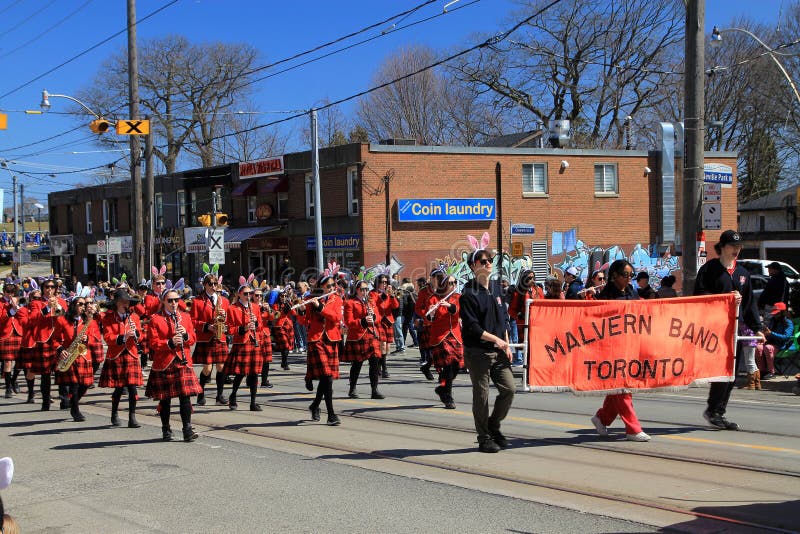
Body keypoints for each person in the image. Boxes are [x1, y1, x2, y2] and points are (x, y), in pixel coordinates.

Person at [694, 229, 763, 431]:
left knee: (731, 372)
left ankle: (718, 412)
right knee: (721, 370)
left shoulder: (743, 273)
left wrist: (757, 328)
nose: (736, 250)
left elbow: (749, 303)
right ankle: (714, 410)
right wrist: (725, 299)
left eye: (739, 246)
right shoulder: (709, 270)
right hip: (714, 328)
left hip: (735, 329)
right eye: (732, 246)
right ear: (722, 247)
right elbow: (699, 296)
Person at [459, 239, 515, 453]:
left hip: (499, 350)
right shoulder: (468, 294)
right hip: (478, 352)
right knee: (481, 396)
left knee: (509, 389)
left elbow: (503, 318)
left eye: (490, 259)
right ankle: (484, 438)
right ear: (473, 266)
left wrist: (506, 343)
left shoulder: (496, 287)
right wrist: (495, 340)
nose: (488, 263)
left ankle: (493, 424)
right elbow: (472, 327)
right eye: (483, 261)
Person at [590, 259, 651, 442]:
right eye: (625, 275)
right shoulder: (606, 295)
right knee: (622, 388)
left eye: (631, 274)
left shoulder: (632, 292)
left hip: (630, 345)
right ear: (614, 275)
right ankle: (633, 428)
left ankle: (602, 418)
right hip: (612, 348)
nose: (629, 278)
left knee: (619, 388)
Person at [146, 288, 201, 442]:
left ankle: (187, 429)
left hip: (183, 361)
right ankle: (166, 429)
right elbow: (153, 342)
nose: (174, 303)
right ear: (163, 301)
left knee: (185, 397)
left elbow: (193, 339)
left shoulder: (185, 317)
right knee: (165, 399)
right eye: (170, 300)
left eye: (176, 300)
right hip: (165, 362)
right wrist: (169, 343)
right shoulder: (156, 319)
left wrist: (186, 335)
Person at [298, 273, 343, 425]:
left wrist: (321, 307)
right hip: (316, 340)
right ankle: (331, 414)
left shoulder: (337, 299)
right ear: (321, 287)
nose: (332, 288)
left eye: (333, 285)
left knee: (326, 379)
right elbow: (303, 321)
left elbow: (336, 318)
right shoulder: (311, 298)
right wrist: (301, 310)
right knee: (326, 376)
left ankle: (315, 405)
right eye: (328, 286)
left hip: (331, 339)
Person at [19, 279, 68, 410]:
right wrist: (47, 307)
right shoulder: (36, 303)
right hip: (44, 340)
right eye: (47, 287)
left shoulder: (62, 301)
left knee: (62, 371)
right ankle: (45, 402)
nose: (50, 289)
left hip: (59, 339)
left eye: (52, 287)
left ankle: (64, 401)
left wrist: (58, 307)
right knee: (45, 374)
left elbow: (64, 318)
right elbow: (33, 319)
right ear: (43, 288)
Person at [100, 290, 144, 428]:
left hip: (131, 354)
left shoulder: (134, 317)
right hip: (117, 355)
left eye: (127, 302)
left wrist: (136, 334)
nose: (126, 304)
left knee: (132, 388)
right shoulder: (108, 318)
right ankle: (114, 413)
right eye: (123, 302)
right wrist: (124, 337)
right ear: (116, 304)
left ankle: (132, 417)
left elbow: (141, 335)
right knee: (119, 388)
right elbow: (108, 337)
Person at [53, 296, 100, 422]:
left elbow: (95, 338)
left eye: (84, 304)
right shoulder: (62, 320)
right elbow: (54, 339)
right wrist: (60, 349)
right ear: (73, 305)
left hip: (84, 356)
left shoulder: (88, 321)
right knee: (74, 385)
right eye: (80, 304)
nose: (83, 306)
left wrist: (87, 338)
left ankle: (73, 402)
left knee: (86, 384)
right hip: (69, 355)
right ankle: (75, 410)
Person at [223, 277, 264, 411]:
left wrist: (256, 323)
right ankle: (233, 396)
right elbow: (229, 329)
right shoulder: (232, 308)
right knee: (240, 373)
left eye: (250, 293)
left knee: (254, 373)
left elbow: (261, 326)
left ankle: (253, 402)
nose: (248, 296)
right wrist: (244, 328)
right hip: (241, 342)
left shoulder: (255, 307)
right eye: (245, 293)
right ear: (239, 294)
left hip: (254, 342)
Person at [190, 271, 230, 406]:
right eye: (211, 284)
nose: (213, 286)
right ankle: (200, 393)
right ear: (205, 285)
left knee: (221, 367)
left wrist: (225, 317)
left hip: (220, 337)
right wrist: (207, 326)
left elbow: (229, 320)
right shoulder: (197, 301)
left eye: (215, 284)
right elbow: (192, 321)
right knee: (207, 369)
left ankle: (220, 395)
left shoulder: (224, 301)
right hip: (206, 338)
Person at [425, 273, 463, 409]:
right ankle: (448, 395)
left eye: (455, 283)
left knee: (457, 365)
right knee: (448, 364)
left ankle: (442, 388)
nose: (453, 285)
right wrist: (431, 314)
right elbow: (428, 319)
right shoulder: (434, 298)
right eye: (451, 283)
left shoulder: (458, 297)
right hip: (441, 336)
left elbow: (459, 311)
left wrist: (449, 306)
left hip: (455, 335)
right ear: (444, 285)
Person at [342, 280, 383, 400]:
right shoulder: (350, 303)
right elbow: (348, 322)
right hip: (358, 335)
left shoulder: (371, 302)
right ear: (357, 290)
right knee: (357, 363)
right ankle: (352, 388)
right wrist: (362, 321)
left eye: (366, 289)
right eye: (362, 289)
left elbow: (379, 317)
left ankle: (374, 390)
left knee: (375, 362)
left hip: (371, 335)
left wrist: (374, 317)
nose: (365, 291)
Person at [507, 269, 544, 365]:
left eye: (533, 278)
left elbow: (543, 306)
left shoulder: (538, 290)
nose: (532, 280)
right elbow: (511, 310)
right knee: (526, 347)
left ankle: (534, 367)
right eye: (529, 278)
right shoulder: (518, 292)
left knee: (536, 347)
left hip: (537, 323)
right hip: (524, 324)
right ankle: (527, 367)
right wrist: (518, 316)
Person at [370, 274, 399, 378]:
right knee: (382, 345)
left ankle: (379, 366)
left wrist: (392, 296)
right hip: (379, 321)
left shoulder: (389, 293)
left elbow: (395, 306)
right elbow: (374, 304)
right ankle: (384, 368)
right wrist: (384, 295)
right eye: (382, 282)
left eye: (386, 282)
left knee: (387, 347)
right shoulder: (373, 293)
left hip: (388, 321)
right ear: (378, 283)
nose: (384, 284)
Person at [0, 283, 26, 398]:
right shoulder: (1, 303)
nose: (10, 294)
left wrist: (17, 307)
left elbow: (23, 317)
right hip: (6, 333)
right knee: (8, 361)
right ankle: (8, 388)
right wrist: (11, 310)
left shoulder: (17, 301)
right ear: (4, 291)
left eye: (12, 292)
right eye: (8, 292)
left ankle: (13, 380)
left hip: (18, 332)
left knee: (20, 361)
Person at [756, 302, 794, 380]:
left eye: (777, 313)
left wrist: (771, 333)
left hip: (781, 344)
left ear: (783, 313)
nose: (775, 315)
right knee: (758, 347)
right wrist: (764, 335)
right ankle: (761, 370)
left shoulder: (788, 322)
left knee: (768, 347)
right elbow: (769, 333)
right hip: (770, 342)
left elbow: (786, 337)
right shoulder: (773, 320)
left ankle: (771, 371)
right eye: (775, 313)